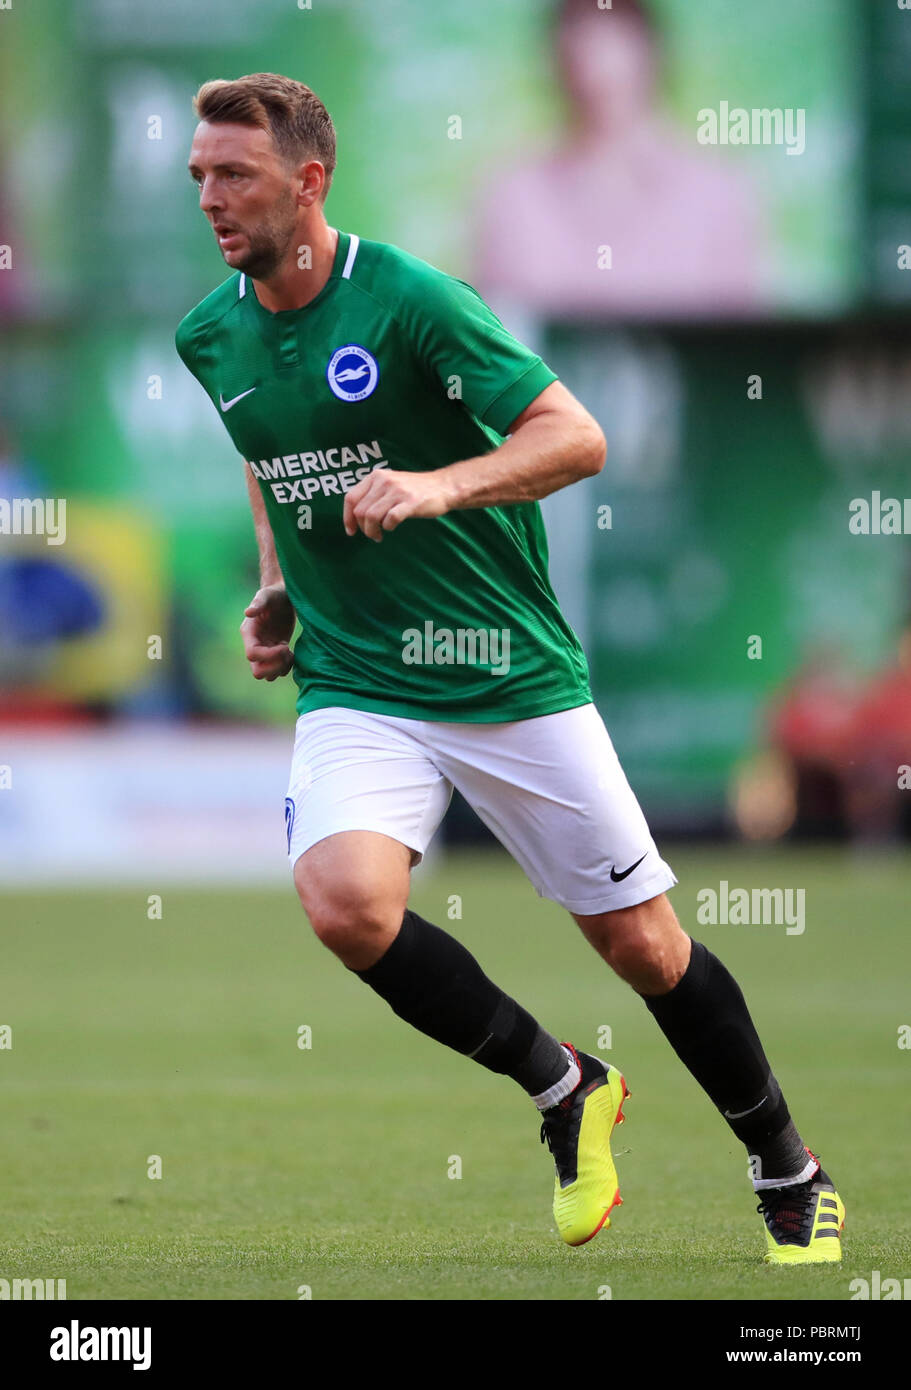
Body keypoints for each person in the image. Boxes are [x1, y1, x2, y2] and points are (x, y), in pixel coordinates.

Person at [176, 72, 842, 1262]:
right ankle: (562, 1084)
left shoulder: (415, 302)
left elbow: (571, 436)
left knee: (642, 946)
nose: (212, 198)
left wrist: (438, 484)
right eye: (199, 177)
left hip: (501, 669)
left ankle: (784, 1162)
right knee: (345, 905)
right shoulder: (209, 331)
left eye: (236, 175)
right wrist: (276, 584)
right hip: (357, 679)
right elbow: (265, 449)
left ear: (308, 181)